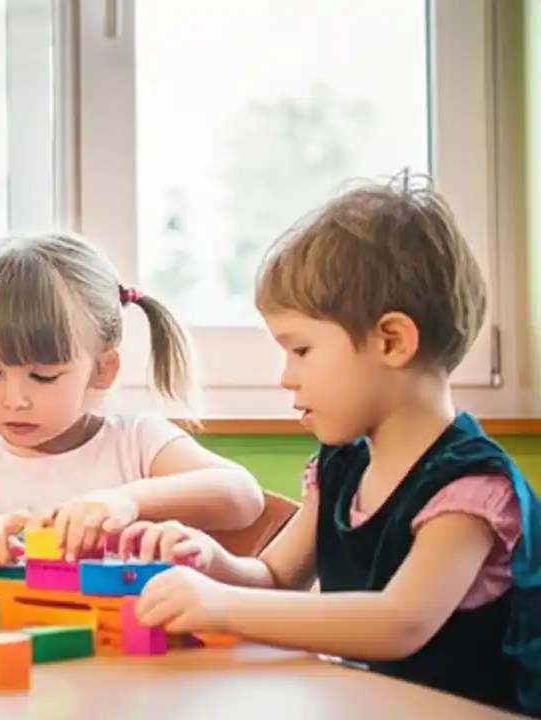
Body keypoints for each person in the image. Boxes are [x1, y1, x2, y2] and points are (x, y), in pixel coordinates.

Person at [127, 176, 541, 715]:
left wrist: (222, 607)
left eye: (301, 349)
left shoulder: (469, 490)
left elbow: (400, 622)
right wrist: (211, 562)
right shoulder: (341, 467)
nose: (285, 377)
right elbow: (276, 578)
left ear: (392, 341)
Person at [0, 232, 264, 601]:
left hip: (131, 652)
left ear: (102, 370)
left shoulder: (137, 441)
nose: (14, 400)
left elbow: (243, 496)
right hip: (17, 650)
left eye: (43, 376)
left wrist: (129, 500)